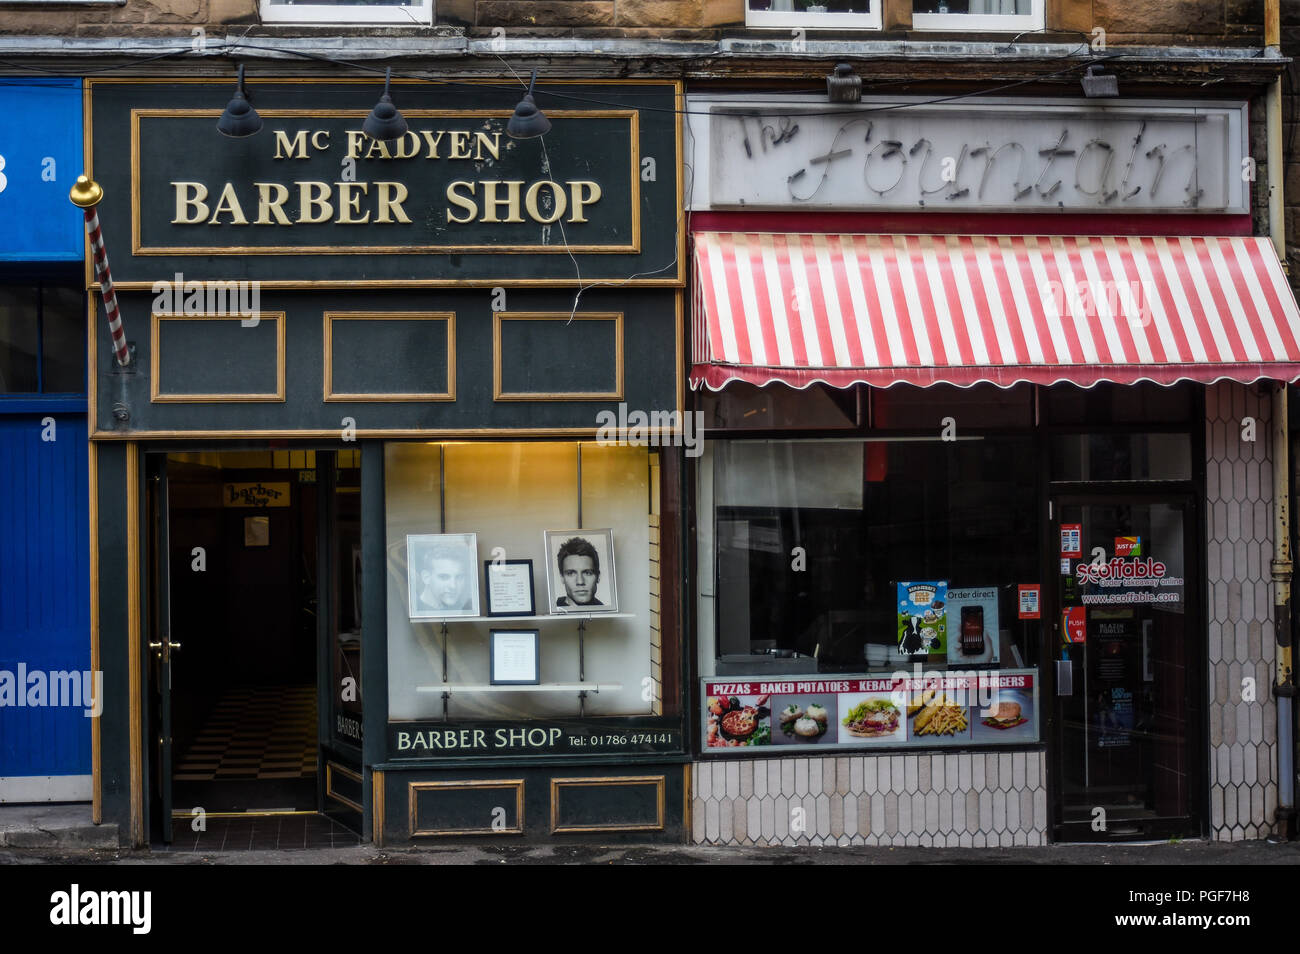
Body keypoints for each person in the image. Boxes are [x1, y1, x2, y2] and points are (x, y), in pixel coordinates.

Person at [418, 542, 473, 613]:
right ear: (426, 577)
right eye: (444, 577)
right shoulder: (411, 610)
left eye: (459, 577)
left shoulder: (462, 609)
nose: (453, 586)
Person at [555, 537, 603, 607]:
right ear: (562, 578)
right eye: (571, 573)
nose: (580, 582)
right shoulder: (552, 611)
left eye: (588, 573)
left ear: (598, 577)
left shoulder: (607, 613)